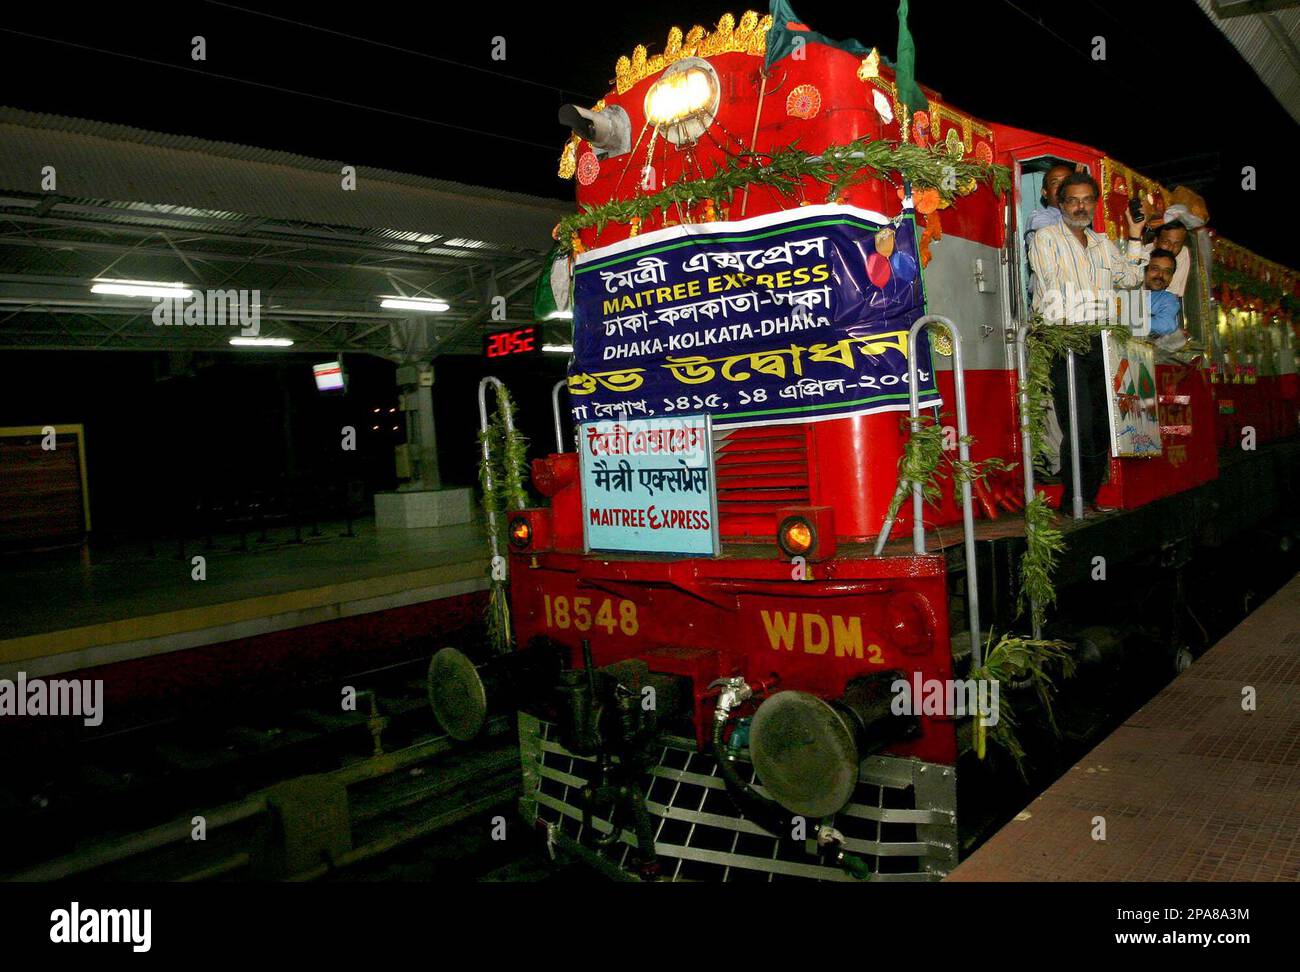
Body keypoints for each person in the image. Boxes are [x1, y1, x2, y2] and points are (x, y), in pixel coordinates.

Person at [1030, 171, 1147, 514]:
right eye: (1072, 200)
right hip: (1065, 340)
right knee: (1077, 423)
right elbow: (1056, 285)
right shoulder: (1046, 237)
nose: (1080, 207)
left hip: (1101, 341)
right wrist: (1098, 301)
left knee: (1101, 424)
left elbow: (1132, 276)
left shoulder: (1103, 243)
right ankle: (1073, 503)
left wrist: (1136, 236)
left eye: (1086, 200)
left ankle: (1089, 499)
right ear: (1060, 203)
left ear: (1094, 204)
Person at [1025, 163, 1075, 298]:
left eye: (1067, 182)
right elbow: (1054, 240)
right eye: (1055, 183)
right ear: (1045, 193)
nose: (1063, 187)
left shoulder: (1084, 219)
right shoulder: (1039, 218)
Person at [1145, 219, 1191, 297]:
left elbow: (1174, 293)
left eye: (1177, 244)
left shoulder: (1183, 253)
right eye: (1166, 242)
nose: (1171, 248)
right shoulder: (1141, 254)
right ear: (1155, 242)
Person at [1144, 248, 1182, 336]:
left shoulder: (1168, 299)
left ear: (1171, 278)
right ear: (1145, 270)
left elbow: (1165, 325)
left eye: (1167, 272)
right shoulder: (1129, 288)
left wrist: (1128, 319)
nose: (1160, 275)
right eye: (1155, 269)